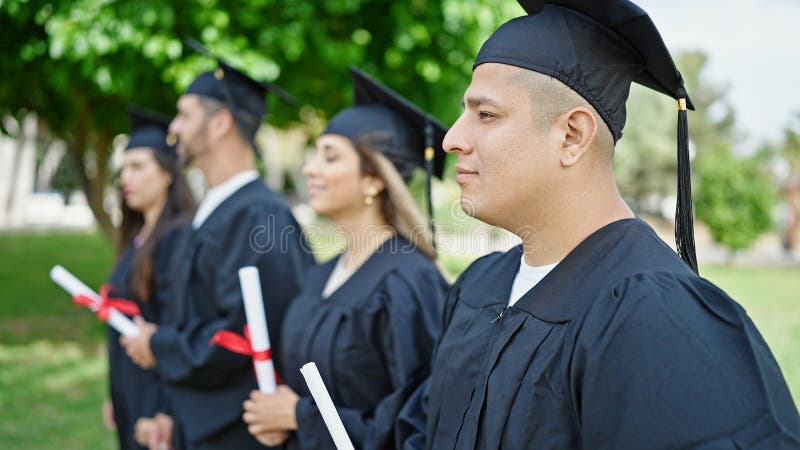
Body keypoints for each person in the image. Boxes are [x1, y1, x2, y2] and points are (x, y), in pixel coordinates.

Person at [399, 1, 800, 448]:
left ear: (572, 135)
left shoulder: (656, 315)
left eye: (486, 114)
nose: (453, 137)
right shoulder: (480, 285)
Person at [240, 68, 449, 450]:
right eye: (314, 155)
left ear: (373, 179)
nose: (310, 169)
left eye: (330, 157)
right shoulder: (321, 275)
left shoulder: (409, 282)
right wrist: (279, 419)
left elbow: (419, 419)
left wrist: (299, 416)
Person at [120, 47, 315, 449]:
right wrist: (167, 410)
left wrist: (159, 347)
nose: (173, 127)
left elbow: (242, 334)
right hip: (197, 423)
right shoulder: (210, 212)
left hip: (237, 431)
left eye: (185, 114)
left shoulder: (262, 218)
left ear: (221, 123)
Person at [106, 107, 195, 450]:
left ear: (168, 173)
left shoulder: (177, 239)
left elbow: (174, 326)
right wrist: (115, 393)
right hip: (130, 387)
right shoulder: (137, 236)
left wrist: (162, 410)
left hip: (156, 397)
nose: (125, 178)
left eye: (138, 167)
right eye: (124, 167)